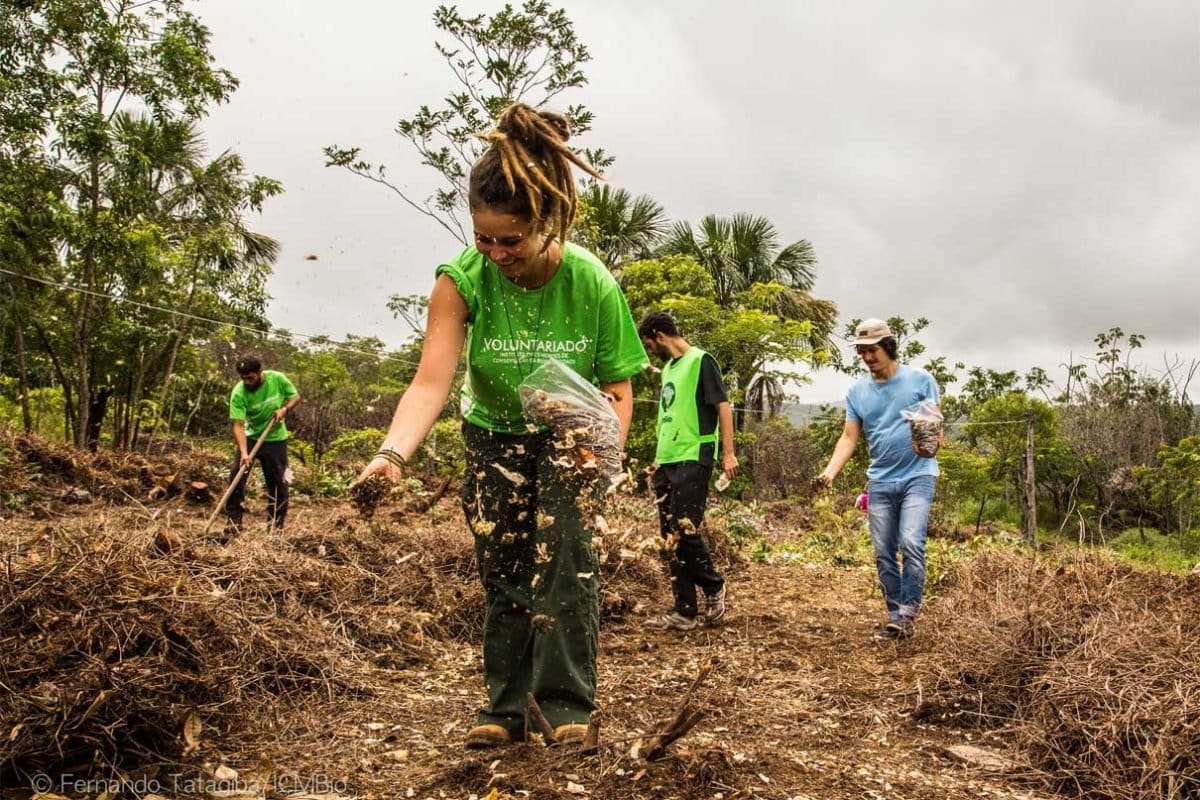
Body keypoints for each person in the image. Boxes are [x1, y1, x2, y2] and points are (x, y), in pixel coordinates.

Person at [353, 103, 646, 749]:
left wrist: (604, 461)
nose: (495, 252)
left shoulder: (590, 282)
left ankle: (565, 706)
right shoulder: (462, 281)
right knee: (505, 567)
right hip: (492, 435)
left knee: (567, 563)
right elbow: (431, 382)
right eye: (484, 237)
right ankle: (506, 707)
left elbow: (619, 388)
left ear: (547, 224)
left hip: (574, 439)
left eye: (509, 239)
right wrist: (391, 457)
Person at [815, 318, 940, 641]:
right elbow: (848, 437)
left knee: (911, 541)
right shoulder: (857, 391)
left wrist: (926, 441)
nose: (868, 358)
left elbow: (932, 426)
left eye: (873, 351)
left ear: (888, 347)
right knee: (884, 551)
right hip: (881, 481)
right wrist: (830, 472)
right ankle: (895, 614)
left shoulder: (919, 380)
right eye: (862, 352)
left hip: (918, 475)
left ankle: (909, 611)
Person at [638, 311, 737, 631]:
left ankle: (714, 586)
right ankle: (683, 609)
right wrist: (657, 459)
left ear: (659, 335)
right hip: (666, 459)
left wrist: (729, 453)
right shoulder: (668, 368)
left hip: (695, 454)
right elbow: (669, 415)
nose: (649, 348)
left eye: (649, 342)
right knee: (668, 536)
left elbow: (723, 406)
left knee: (685, 528)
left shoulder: (700, 361)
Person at [226, 355, 300, 534]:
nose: (247, 382)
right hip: (250, 438)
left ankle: (275, 527)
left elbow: (295, 397)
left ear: (260, 373)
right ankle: (234, 524)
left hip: (276, 439)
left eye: (250, 378)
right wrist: (244, 453)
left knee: (279, 482)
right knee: (236, 476)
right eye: (243, 378)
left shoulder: (277, 379)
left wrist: (284, 409)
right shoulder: (239, 393)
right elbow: (238, 425)